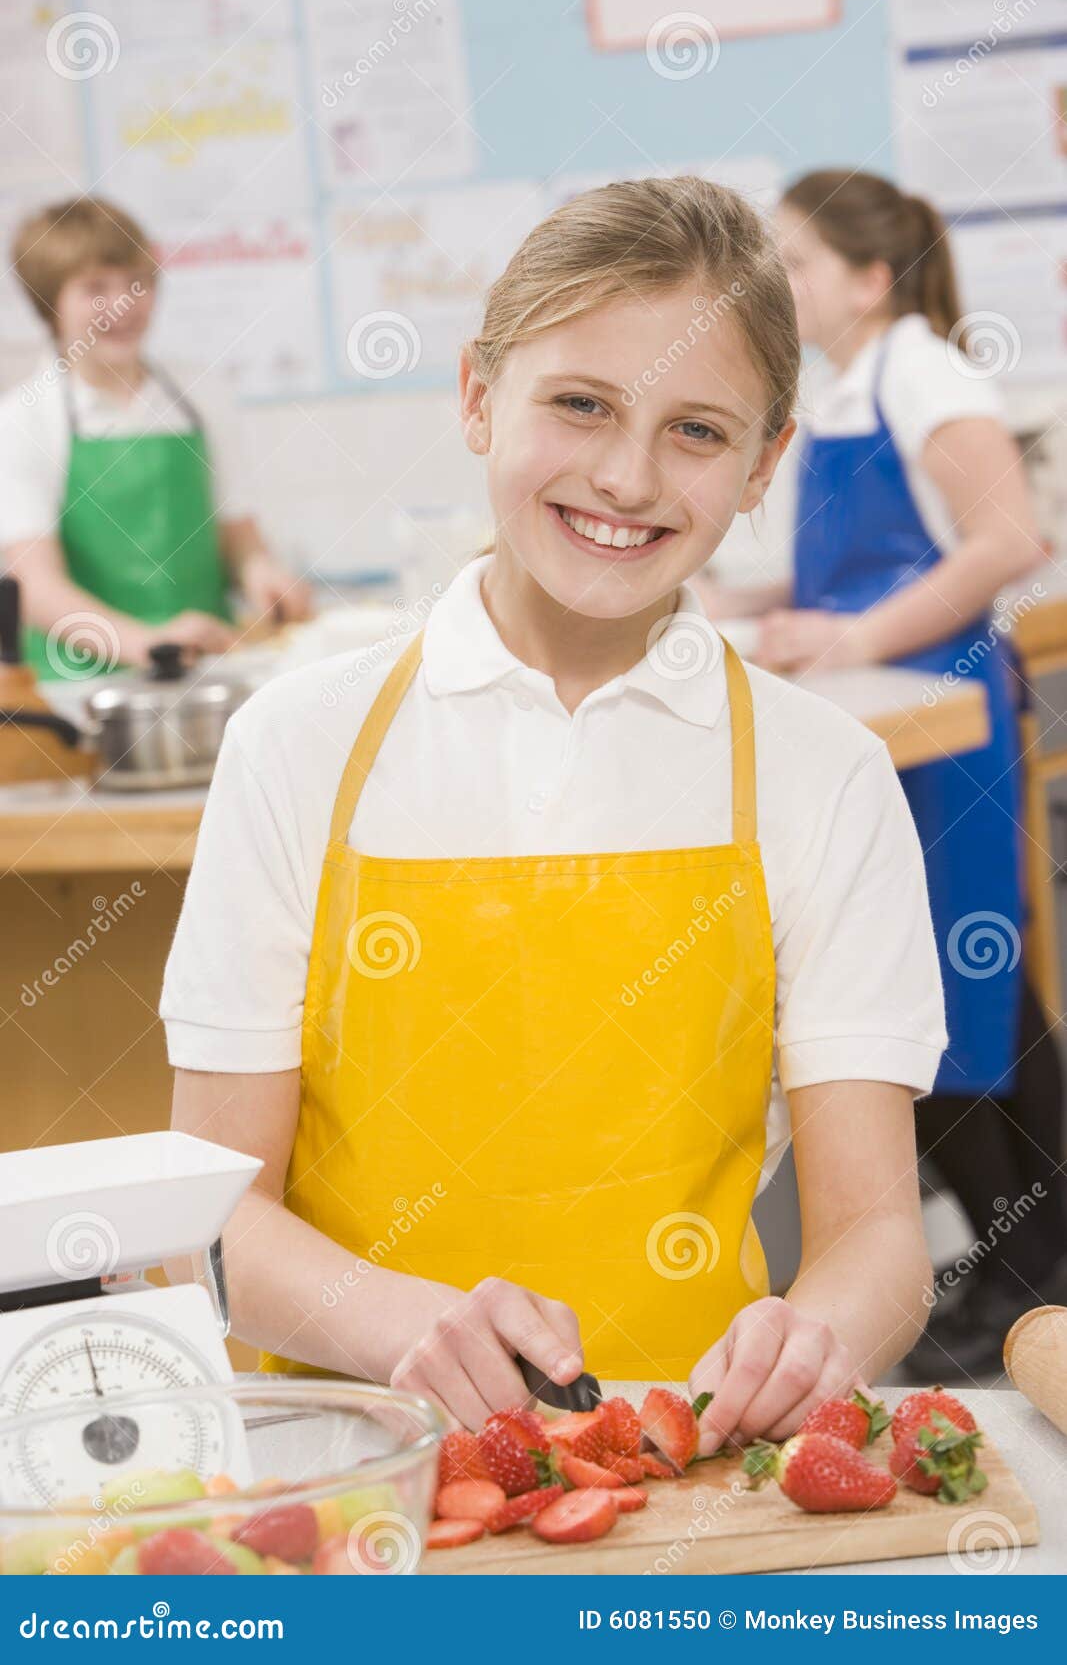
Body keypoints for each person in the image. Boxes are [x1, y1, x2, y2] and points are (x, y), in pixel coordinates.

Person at [162, 176, 947, 1446]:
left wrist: (817, 1339)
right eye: (579, 404)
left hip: (677, 1466)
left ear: (763, 465)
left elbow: (873, 1235)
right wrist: (396, 1324)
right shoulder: (295, 746)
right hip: (355, 1460)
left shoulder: (825, 775)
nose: (625, 477)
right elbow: (212, 1213)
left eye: (698, 431)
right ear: (478, 395)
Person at [707, 169, 1065, 1379]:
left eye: (797, 261)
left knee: (943, 998)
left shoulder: (920, 368)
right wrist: (750, 595)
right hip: (881, 720)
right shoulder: (853, 381)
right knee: (984, 992)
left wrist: (853, 639)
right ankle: (1035, 1255)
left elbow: (1008, 539)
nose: (781, 281)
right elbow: (862, 559)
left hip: (940, 721)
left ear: (867, 278)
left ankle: (1014, 1275)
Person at [1, 196, 310, 680]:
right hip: (82, 690)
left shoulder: (202, 394)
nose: (124, 304)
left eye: (137, 283)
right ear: (50, 304)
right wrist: (147, 643)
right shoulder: (25, 417)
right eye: (95, 288)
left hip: (209, 668)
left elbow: (239, 536)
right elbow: (35, 584)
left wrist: (260, 572)